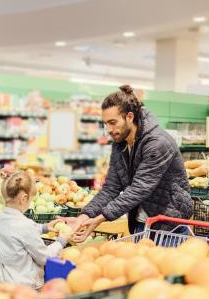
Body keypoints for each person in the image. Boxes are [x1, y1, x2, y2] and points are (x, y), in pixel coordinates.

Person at [71, 84, 193, 242]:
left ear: (129, 117)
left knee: (165, 267)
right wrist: (84, 216)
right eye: (105, 123)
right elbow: (111, 188)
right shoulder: (120, 143)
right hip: (142, 224)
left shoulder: (157, 143)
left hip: (169, 225)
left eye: (113, 122)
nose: (108, 129)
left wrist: (100, 218)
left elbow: (139, 188)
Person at [0, 170, 71, 289]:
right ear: (23, 198)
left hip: (4, 280)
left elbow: (18, 231)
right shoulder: (24, 226)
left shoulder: (0, 219)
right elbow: (45, 258)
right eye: (31, 199)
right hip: (25, 285)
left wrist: (45, 228)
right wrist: (61, 241)